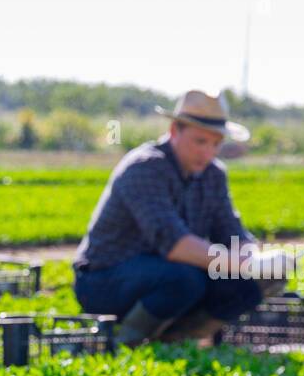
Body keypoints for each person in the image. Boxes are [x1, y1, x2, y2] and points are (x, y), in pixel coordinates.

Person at [72, 90, 289, 346]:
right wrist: (242, 265)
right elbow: (176, 245)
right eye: (200, 142)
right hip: (106, 280)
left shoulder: (213, 175)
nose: (208, 152)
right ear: (175, 130)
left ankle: (178, 340)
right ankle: (125, 343)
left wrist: (256, 260)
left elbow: (232, 232)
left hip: (171, 275)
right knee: (185, 279)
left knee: (245, 285)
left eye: (215, 144)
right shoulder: (145, 168)